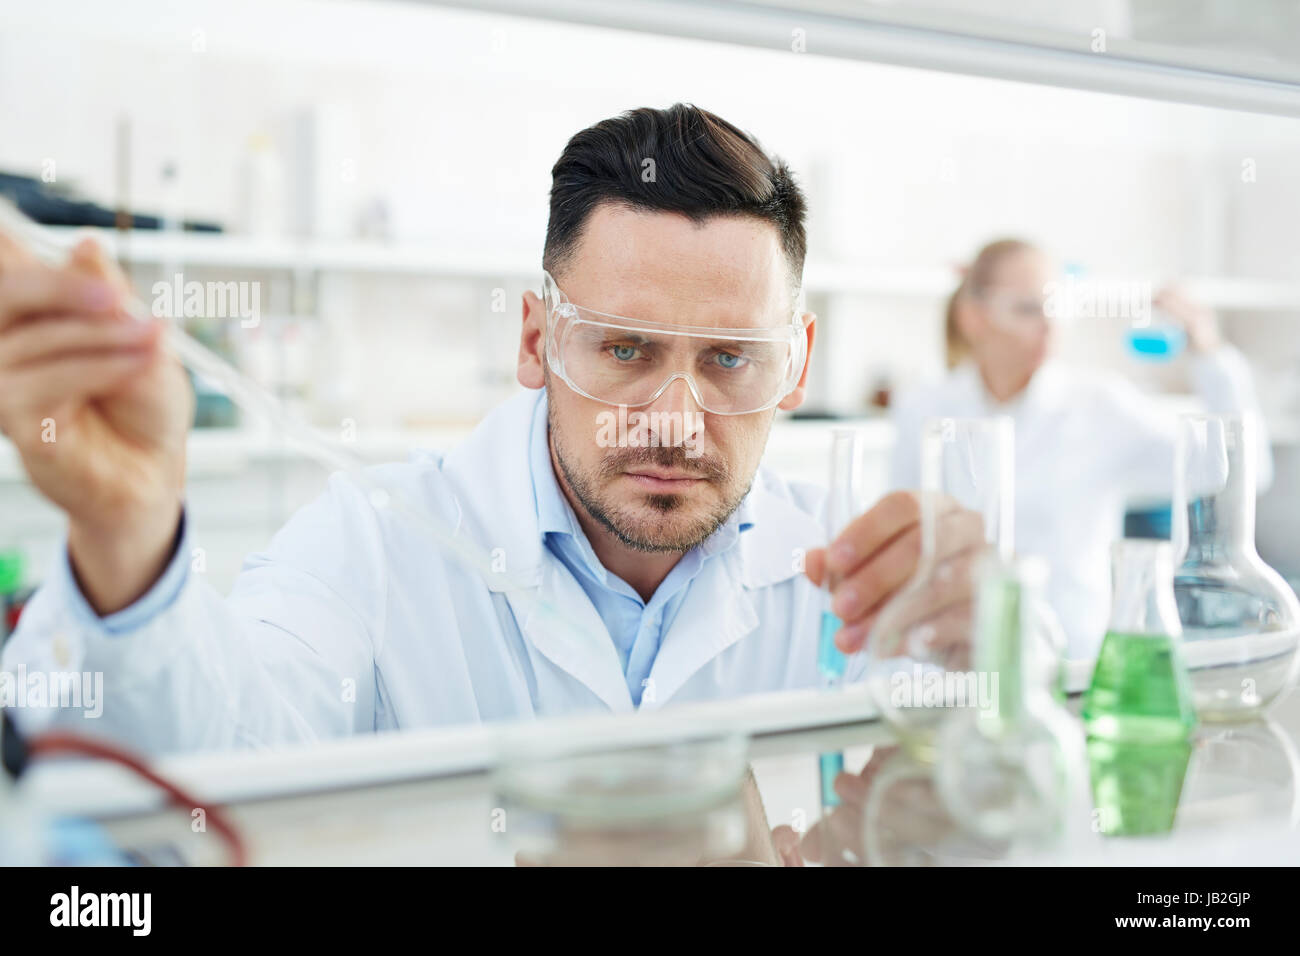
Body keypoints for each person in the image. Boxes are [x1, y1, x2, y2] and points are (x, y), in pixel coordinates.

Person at [0, 104, 979, 755]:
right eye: (625, 348)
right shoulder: (372, 544)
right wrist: (128, 538)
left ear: (795, 365)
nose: (676, 421)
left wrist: (993, 644)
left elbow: (996, 790)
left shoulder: (857, 576)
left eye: (729, 358)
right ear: (536, 338)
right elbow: (213, 759)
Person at [889, 238, 1270, 660]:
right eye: (1027, 308)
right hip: (957, 662)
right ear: (973, 317)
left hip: (1075, 667)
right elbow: (905, 540)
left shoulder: (1100, 406)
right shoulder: (924, 407)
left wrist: (1209, 352)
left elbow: (1238, 471)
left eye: (1056, 306)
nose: (1049, 324)